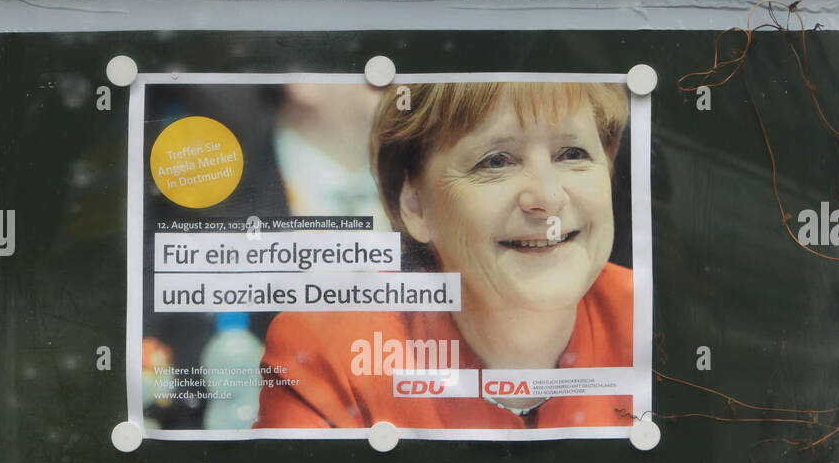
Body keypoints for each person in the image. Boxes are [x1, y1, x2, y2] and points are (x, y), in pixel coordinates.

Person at [254, 80, 635, 431]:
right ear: (415, 206)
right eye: (496, 161)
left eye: (572, 154)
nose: (549, 198)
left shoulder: (659, 322)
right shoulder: (327, 354)